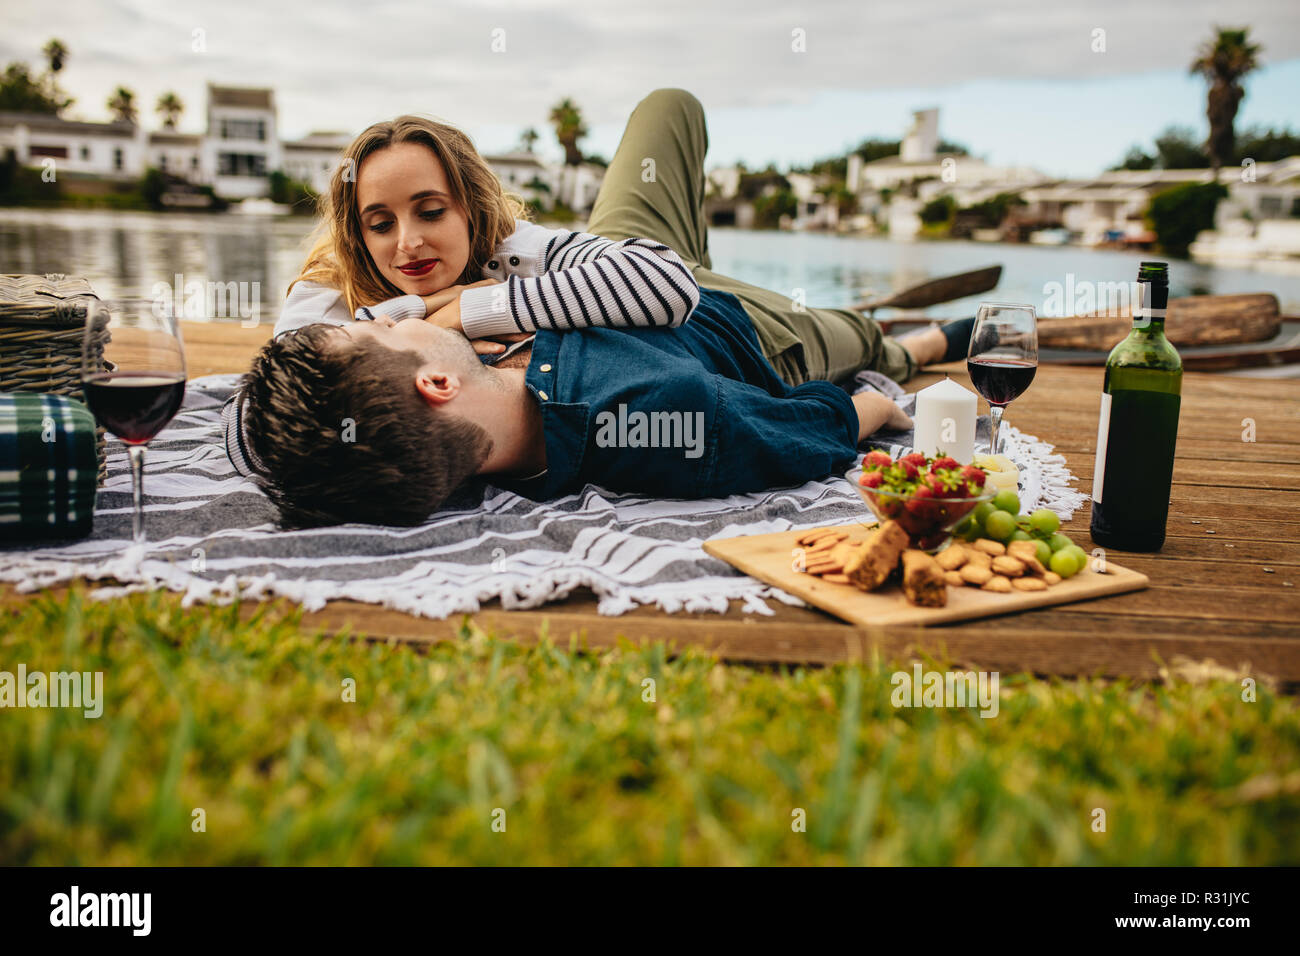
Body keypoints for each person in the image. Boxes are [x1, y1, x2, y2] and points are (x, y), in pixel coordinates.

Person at [223, 88, 968, 476]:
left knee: (669, 107)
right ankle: (924, 341)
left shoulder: (516, 249)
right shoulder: (333, 293)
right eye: (379, 221)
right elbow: (266, 414)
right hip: (728, 344)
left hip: (675, 289)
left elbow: (666, 286)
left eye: (431, 210)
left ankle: (887, 337)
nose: (408, 243)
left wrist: (473, 311)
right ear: (356, 230)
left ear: (471, 209)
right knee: (852, 339)